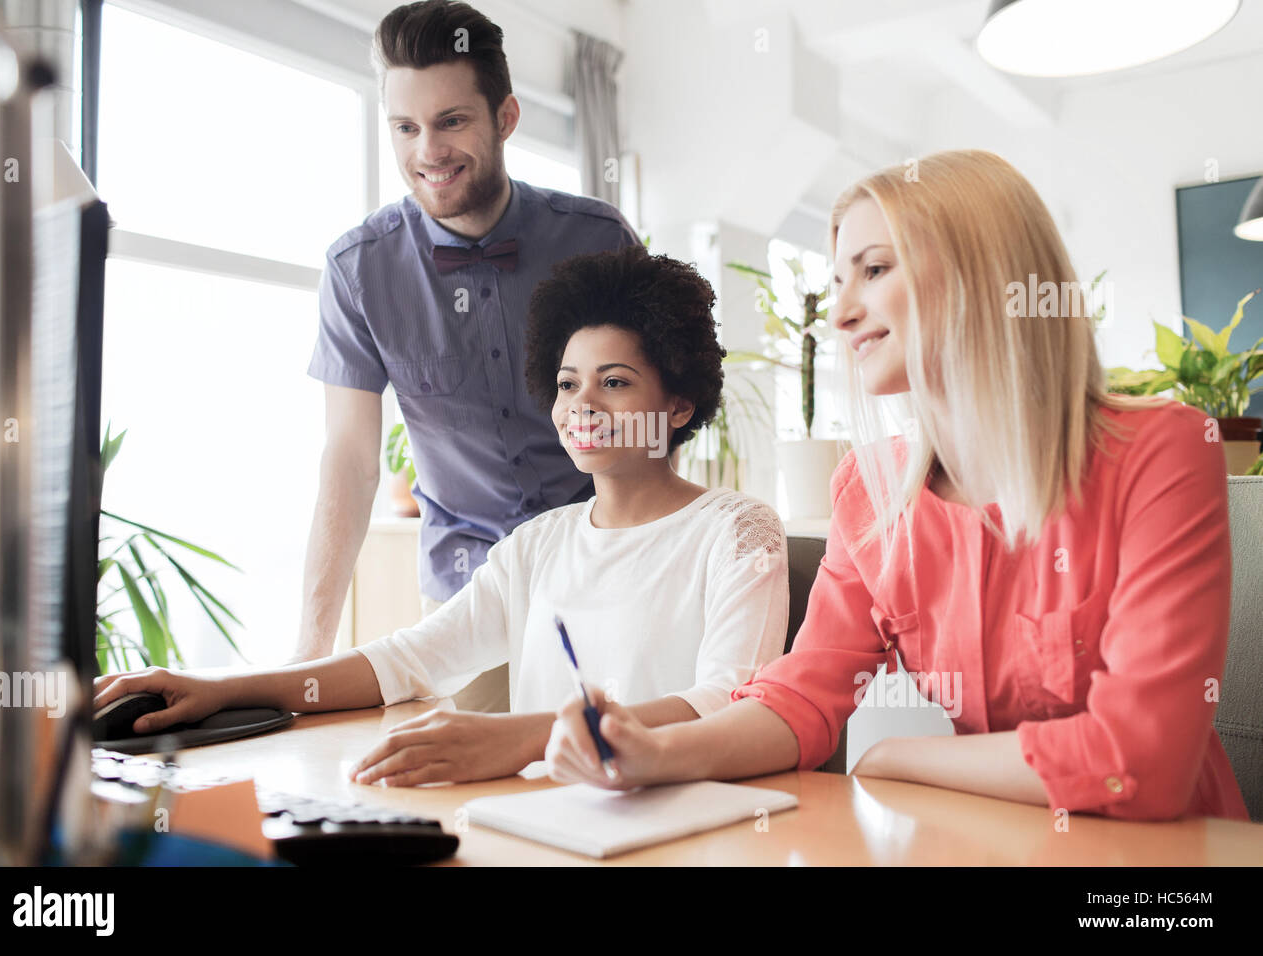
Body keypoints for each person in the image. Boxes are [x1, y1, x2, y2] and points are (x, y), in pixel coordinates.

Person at [545, 149, 1250, 822]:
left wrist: (900, 758)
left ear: (984, 271)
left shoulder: (1165, 448)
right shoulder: (870, 490)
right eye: (839, 281)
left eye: (874, 269)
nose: (841, 312)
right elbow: (802, 699)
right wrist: (657, 751)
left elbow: (1142, 761)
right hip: (984, 842)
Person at [93, 246, 789, 786]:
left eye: (615, 383)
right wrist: (223, 686)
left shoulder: (738, 532)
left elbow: (729, 700)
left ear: (677, 406)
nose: (582, 406)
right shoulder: (537, 545)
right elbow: (411, 659)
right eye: (568, 383)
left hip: (680, 825)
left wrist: (527, 736)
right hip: (548, 820)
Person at [294, 0, 640, 719]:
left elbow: (655, 416)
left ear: (505, 118)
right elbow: (351, 459)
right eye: (406, 127)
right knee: (470, 796)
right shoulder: (359, 270)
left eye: (451, 121)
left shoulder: (599, 240)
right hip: (467, 597)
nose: (429, 151)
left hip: (612, 576)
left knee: (630, 787)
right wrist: (309, 652)